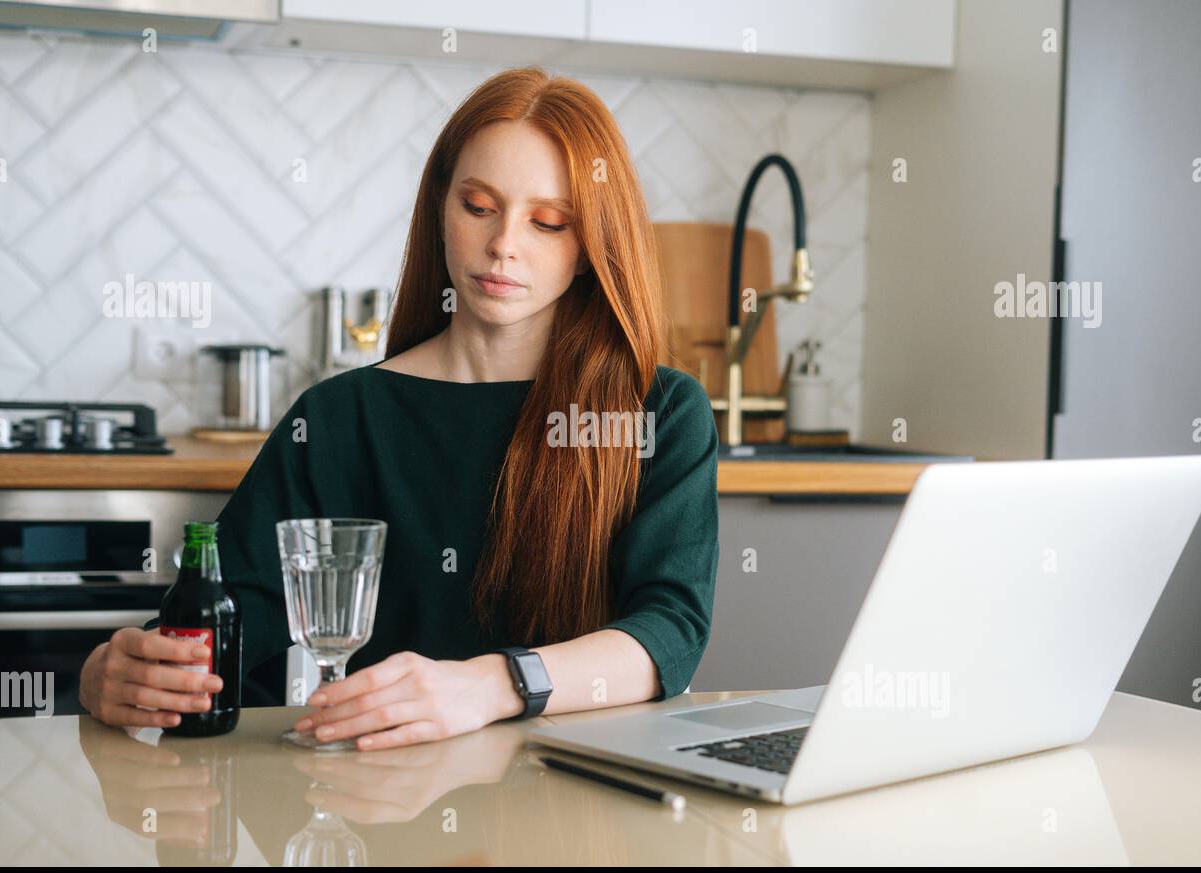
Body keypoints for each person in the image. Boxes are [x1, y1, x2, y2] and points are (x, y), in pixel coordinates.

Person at [79, 65, 720, 750]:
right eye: (479, 207)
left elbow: (670, 631)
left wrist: (488, 686)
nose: (505, 243)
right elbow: (237, 612)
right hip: (387, 801)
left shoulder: (659, 412)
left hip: (587, 804)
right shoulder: (337, 418)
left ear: (591, 248)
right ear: (440, 209)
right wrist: (115, 675)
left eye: (548, 222)